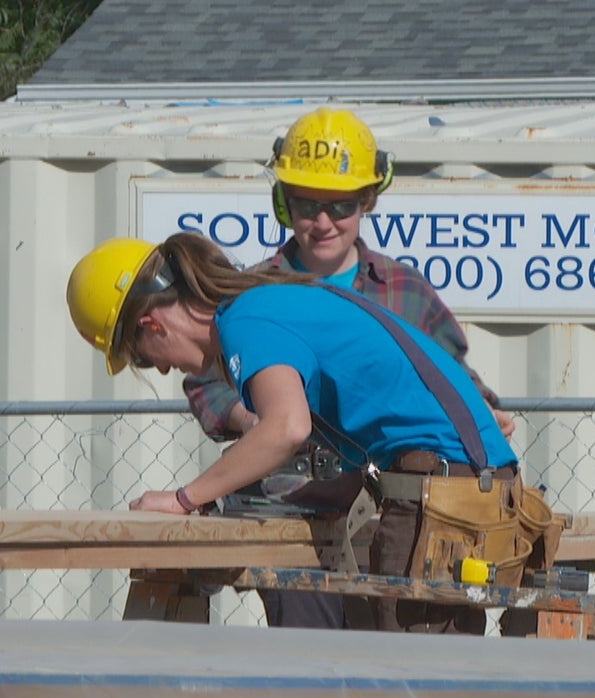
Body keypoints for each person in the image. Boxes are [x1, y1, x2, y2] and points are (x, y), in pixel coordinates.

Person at [65, 230, 521, 634]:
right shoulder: (272, 301)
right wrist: (337, 488)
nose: (163, 368)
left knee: (417, 677)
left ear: (151, 324)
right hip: (461, 482)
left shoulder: (245, 320)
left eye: (143, 358)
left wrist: (185, 498)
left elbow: (285, 427)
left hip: (446, 491)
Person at [180, 106, 515, 629]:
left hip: (394, 505)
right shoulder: (252, 293)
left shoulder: (405, 291)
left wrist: (483, 412)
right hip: (293, 506)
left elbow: (447, 376)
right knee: (308, 653)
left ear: (368, 201)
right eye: (307, 205)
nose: (323, 222)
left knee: (392, 644)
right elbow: (207, 381)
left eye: (340, 206)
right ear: (283, 203)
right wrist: (261, 420)